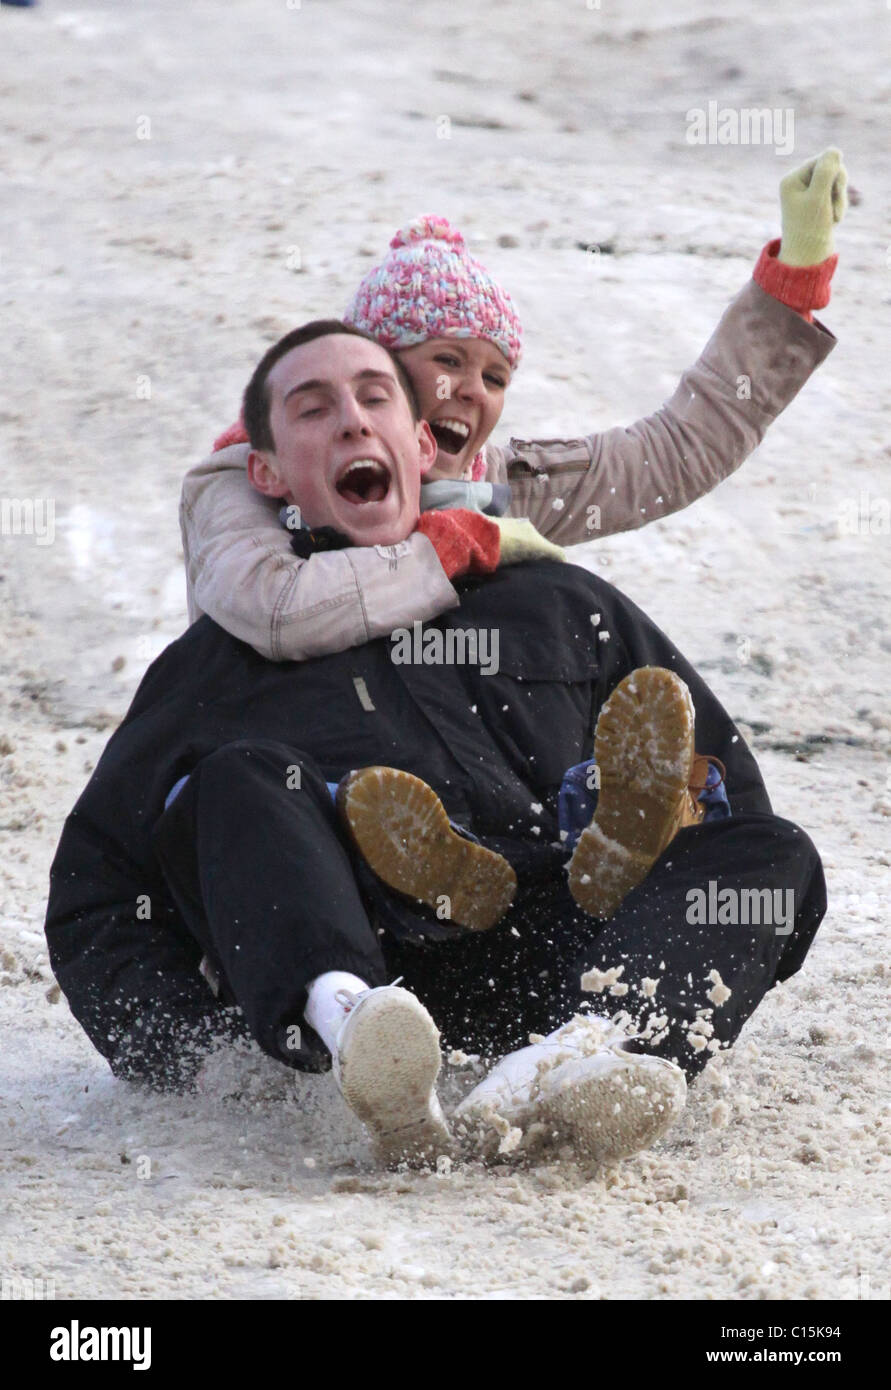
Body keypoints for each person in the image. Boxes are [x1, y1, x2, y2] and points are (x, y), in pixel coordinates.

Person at [45, 321, 827, 1168]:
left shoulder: (555, 600)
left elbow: (728, 794)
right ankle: (358, 1033)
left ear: (421, 443)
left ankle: (587, 1050)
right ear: (266, 473)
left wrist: (680, 835)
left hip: (565, 945)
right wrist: (195, 1057)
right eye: (313, 410)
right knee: (239, 781)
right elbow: (98, 895)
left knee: (772, 854)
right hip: (368, 952)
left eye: (374, 397)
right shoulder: (222, 660)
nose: (350, 420)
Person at [180, 150, 846, 661]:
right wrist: (446, 549)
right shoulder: (251, 478)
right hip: (276, 760)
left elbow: (666, 457)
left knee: (567, 602)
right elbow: (273, 607)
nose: (471, 390)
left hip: (428, 765)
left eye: (495, 377)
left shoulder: (486, 492)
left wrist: (788, 289)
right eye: (446, 360)